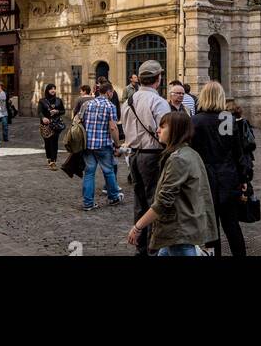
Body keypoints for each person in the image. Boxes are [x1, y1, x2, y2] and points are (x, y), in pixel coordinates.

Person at [127, 109, 217, 256]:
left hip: (179, 232)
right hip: (178, 230)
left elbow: (163, 201)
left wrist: (138, 227)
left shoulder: (179, 159)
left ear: (175, 130)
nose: (157, 131)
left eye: (162, 127)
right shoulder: (189, 153)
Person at [191, 80, 247, 257]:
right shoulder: (229, 119)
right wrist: (244, 178)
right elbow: (239, 152)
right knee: (231, 224)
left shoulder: (196, 121)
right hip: (228, 176)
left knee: (211, 226)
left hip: (205, 177)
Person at [121, 59, 170, 255]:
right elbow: (166, 132)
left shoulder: (128, 102)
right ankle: (153, 247)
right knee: (155, 202)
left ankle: (141, 247)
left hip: (134, 155)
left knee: (140, 201)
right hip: (153, 155)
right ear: (158, 79)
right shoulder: (158, 102)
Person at [81, 78, 123, 209]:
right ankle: (114, 197)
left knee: (89, 173)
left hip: (87, 144)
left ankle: (88, 203)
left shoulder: (87, 104)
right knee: (108, 171)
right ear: (109, 92)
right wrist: (117, 145)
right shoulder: (110, 106)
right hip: (103, 144)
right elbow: (113, 128)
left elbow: (78, 120)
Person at [38, 84, 66, 168]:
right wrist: (43, 118)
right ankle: (49, 158)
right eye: (51, 89)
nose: (53, 90)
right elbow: (39, 112)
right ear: (47, 90)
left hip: (56, 124)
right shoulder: (42, 101)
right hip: (45, 125)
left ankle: (53, 161)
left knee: (54, 143)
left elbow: (63, 111)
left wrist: (57, 111)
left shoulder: (58, 100)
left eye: (54, 89)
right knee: (47, 143)